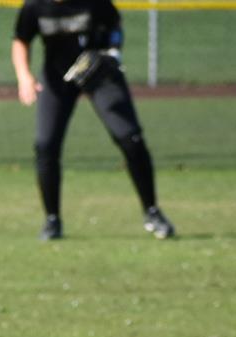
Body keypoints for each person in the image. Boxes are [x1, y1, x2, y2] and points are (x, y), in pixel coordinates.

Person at [11, 0, 175, 242]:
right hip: (58, 77)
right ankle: (52, 220)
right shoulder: (36, 5)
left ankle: (152, 212)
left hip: (99, 74)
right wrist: (24, 76)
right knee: (46, 145)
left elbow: (115, 26)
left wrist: (113, 52)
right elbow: (21, 39)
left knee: (130, 138)